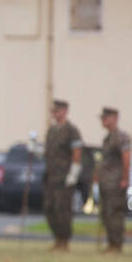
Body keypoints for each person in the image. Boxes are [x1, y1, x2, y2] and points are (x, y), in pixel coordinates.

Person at [43, 100, 83, 251]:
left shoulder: (71, 130)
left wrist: (74, 172)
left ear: (65, 111)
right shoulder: (52, 130)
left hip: (64, 177)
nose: (55, 114)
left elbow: (77, 153)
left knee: (63, 209)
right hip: (51, 176)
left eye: (58, 111)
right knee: (49, 208)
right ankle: (57, 238)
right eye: (53, 111)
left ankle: (64, 240)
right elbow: (48, 152)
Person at [96, 107, 131, 253]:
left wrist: (124, 178)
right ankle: (111, 243)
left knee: (115, 214)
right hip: (106, 183)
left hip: (116, 182)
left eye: (107, 117)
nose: (103, 120)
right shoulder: (107, 138)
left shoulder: (121, 137)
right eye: (102, 118)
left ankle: (117, 244)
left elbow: (126, 158)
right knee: (106, 214)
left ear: (115, 118)